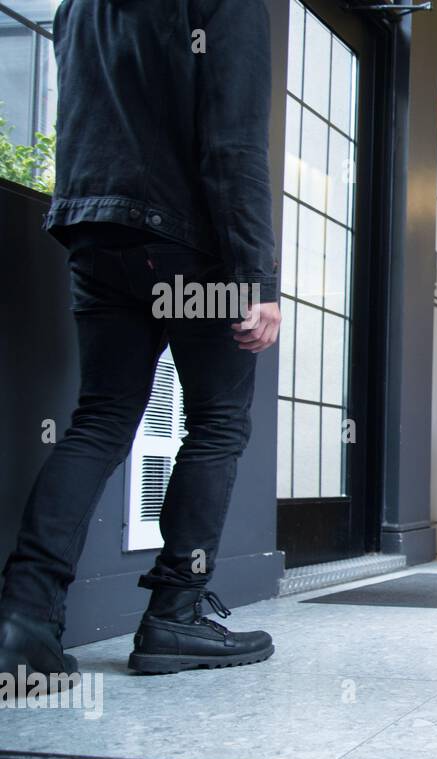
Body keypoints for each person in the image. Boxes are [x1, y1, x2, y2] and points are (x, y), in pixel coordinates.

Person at [0, 0, 281, 686]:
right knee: (217, 420)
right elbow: (233, 142)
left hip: (96, 235)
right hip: (188, 250)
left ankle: (23, 624)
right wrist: (257, 278)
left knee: (99, 420)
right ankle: (175, 614)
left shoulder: (78, 5)